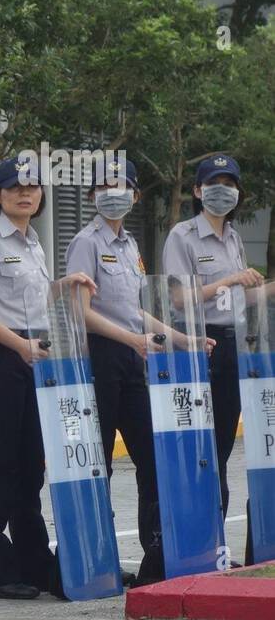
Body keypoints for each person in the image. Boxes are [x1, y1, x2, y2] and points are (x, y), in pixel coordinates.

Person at [66, 156, 211, 586]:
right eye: (105, 186)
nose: (115, 193)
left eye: (123, 185)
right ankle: (98, 559)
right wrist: (131, 341)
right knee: (99, 462)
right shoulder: (85, 242)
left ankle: (156, 555)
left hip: (133, 358)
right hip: (101, 357)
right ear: (93, 195)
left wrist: (185, 339)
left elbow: (136, 312)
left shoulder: (129, 246)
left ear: (135, 194)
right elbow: (79, 311)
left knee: (151, 457)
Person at [0, 156, 96, 599]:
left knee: (31, 464)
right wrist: (17, 346)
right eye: (15, 186)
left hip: (34, 354)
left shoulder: (34, 242)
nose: (26, 193)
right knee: (0, 464)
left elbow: (32, 301)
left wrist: (63, 284)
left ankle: (35, 559)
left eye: (34, 186)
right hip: (1, 355)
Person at [161, 153, 260, 565]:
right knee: (201, 447)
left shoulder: (234, 237)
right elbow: (177, 299)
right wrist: (230, 279)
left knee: (220, 448)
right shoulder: (182, 236)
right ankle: (197, 544)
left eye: (231, 183)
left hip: (235, 344)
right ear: (198, 191)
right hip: (199, 345)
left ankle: (218, 546)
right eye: (214, 183)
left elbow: (243, 297)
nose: (224, 190)